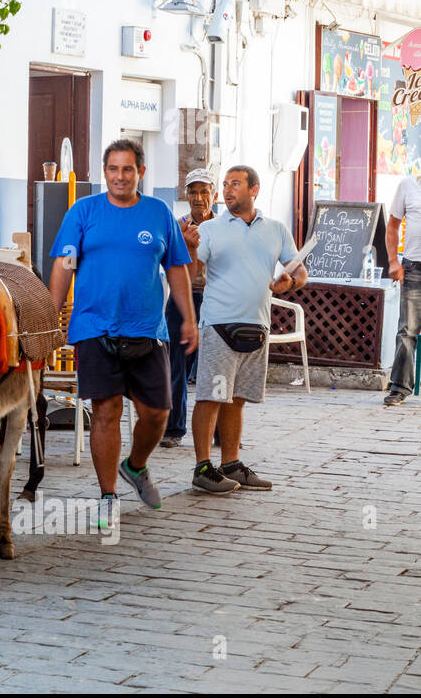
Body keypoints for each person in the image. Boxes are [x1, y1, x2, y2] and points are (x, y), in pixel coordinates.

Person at [48, 139, 197, 527]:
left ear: (140, 173)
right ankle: (108, 495)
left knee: (158, 413)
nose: (119, 176)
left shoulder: (158, 213)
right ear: (104, 172)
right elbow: (65, 265)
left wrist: (189, 319)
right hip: (94, 326)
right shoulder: (83, 212)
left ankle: (136, 465)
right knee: (106, 410)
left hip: (147, 329)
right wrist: (51, 317)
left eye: (127, 169)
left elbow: (178, 267)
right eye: (113, 169)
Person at [188, 165, 307, 492]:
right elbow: (193, 273)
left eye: (235, 184)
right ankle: (201, 468)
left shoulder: (276, 229)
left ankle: (231, 464)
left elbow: (299, 272)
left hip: (257, 325)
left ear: (254, 189)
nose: (227, 190)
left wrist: (289, 282)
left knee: (237, 399)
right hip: (218, 324)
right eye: (225, 185)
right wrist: (189, 246)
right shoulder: (210, 229)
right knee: (211, 396)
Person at [161, 169, 216, 448]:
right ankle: (174, 428)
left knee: (215, 367)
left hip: (215, 302)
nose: (198, 197)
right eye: (193, 192)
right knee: (176, 366)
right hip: (182, 301)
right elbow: (173, 266)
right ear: (186, 195)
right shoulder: (176, 226)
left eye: (204, 191)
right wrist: (185, 244)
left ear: (213, 195)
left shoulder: (223, 227)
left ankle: (218, 432)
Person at [383, 171, 421, 407]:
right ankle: (399, 388)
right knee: (407, 330)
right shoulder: (407, 185)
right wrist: (393, 261)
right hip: (413, 267)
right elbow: (392, 226)